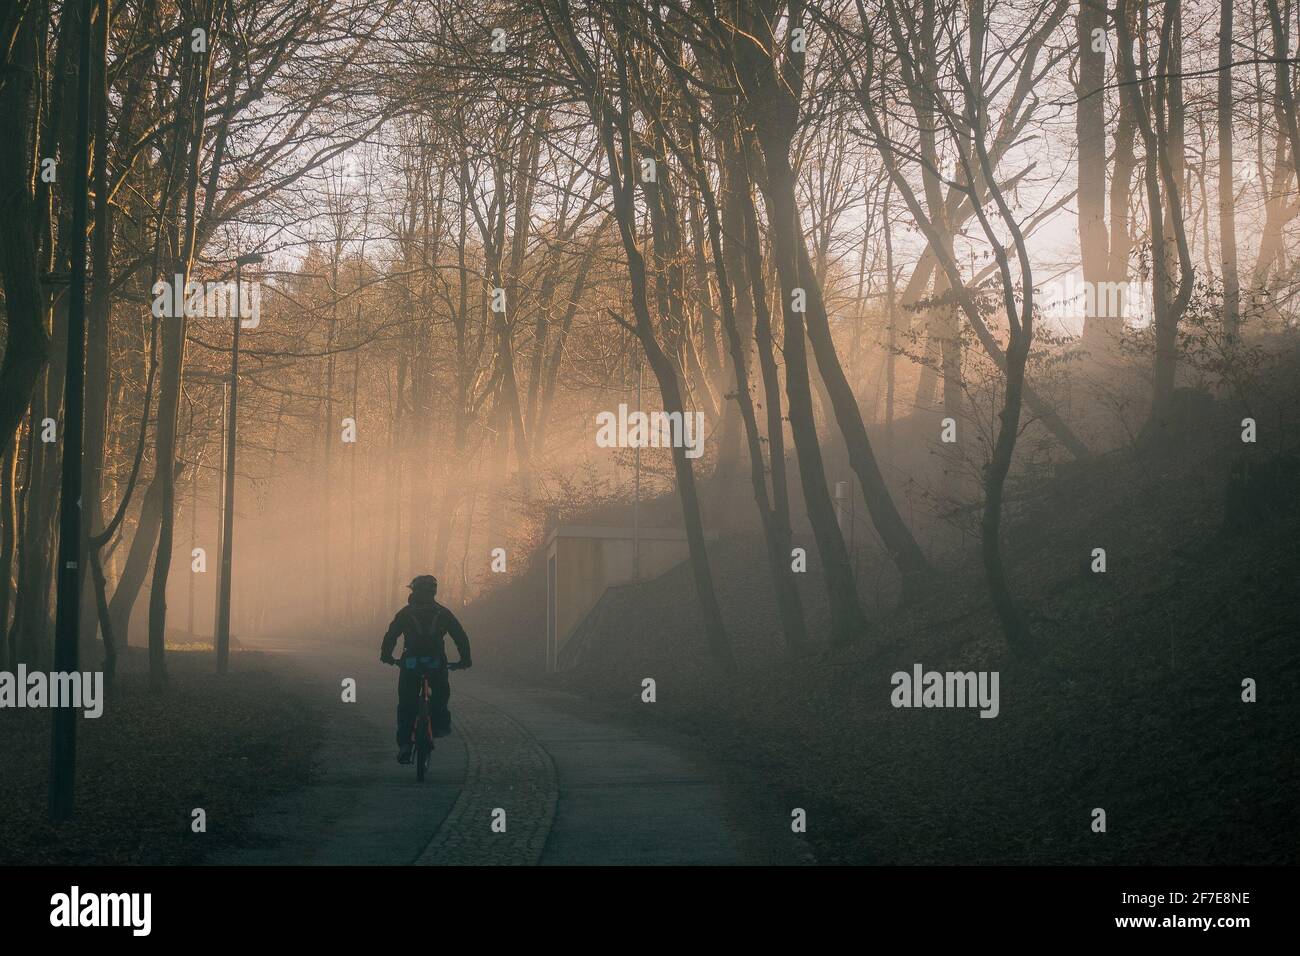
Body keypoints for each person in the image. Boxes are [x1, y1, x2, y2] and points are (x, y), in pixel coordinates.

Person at [380, 574, 472, 764]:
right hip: (436, 664)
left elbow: (391, 636)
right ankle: (438, 725)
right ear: (433, 592)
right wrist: (465, 660)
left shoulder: (405, 613)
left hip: (410, 664)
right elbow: (460, 636)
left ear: (414, 592)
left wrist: (387, 656)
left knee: (406, 704)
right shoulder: (443, 613)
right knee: (441, 693)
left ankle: (405, 745)